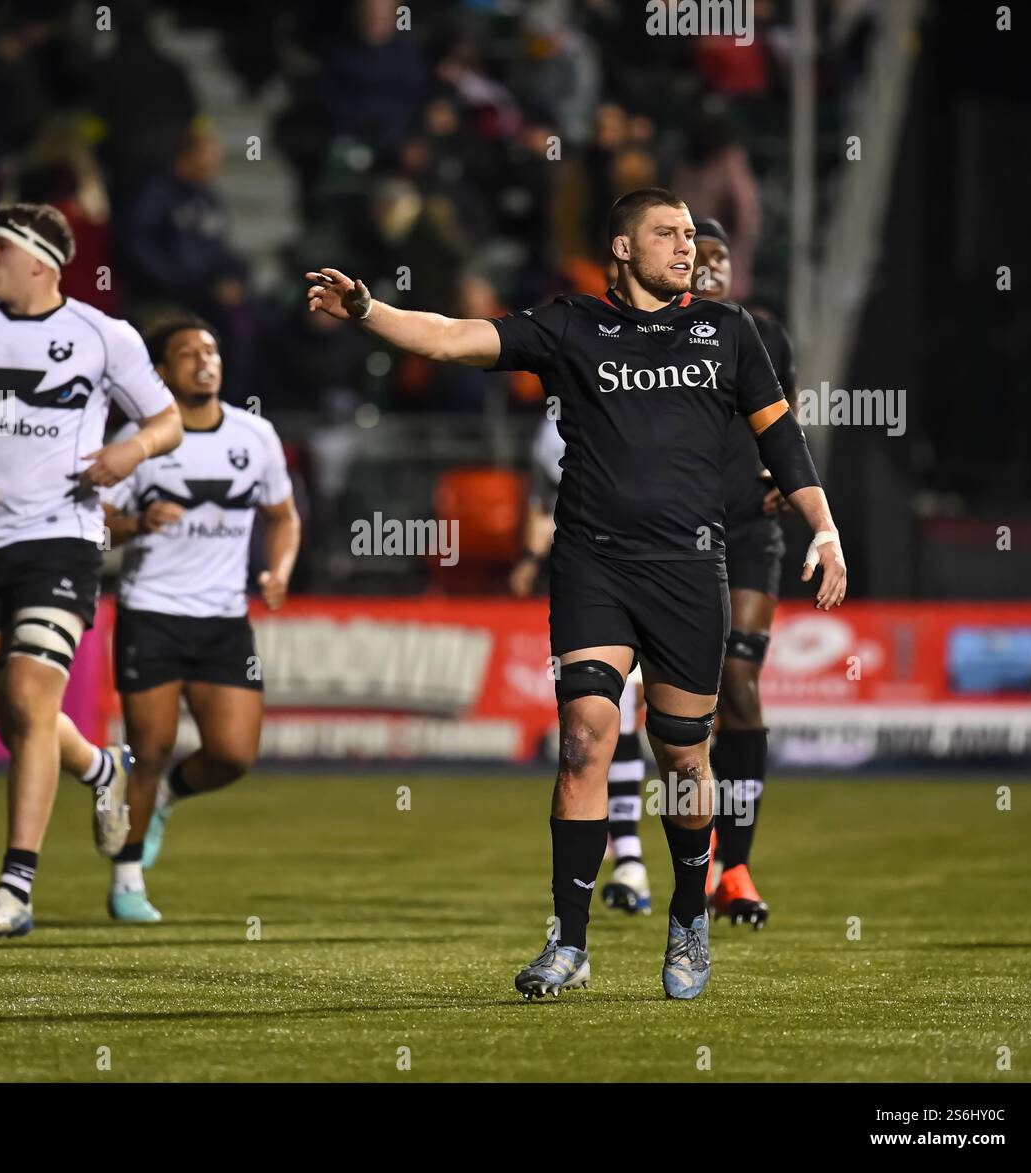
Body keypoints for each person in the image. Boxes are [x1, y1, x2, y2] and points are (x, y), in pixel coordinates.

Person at [306, 187, 846, 1001]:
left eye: (692, 234)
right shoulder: (571, 325)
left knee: (684, 755)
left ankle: (690, 917)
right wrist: (370, 310)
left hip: (690, 570)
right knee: (585, 739)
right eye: (667, 232)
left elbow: (781, 435)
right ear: (622, 248)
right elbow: (454, 339)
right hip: (593, 562)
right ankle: (569, 940)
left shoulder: (730, 332)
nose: (686, 246)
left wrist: (826, 527)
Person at [0, 202, 181, 938]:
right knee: (13, 713)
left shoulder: (102, 333)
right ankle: (100, 768)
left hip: (63, 538)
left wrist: (130, 452)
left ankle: (15, 891)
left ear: (39, 262)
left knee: (30, 692)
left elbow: (166, 419)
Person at [101, 315, 300, 921]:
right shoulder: (139, 439)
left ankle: (163, 797)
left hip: (222, 619)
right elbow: (96, 516)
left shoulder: (255, 434)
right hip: (150, 611)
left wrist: (279, 572)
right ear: (160, 373)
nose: (203, 360)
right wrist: (136, 523)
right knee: (150, 746)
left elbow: (283, 516)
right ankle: (127, 879)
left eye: (210, 349)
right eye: (186, 353)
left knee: (234, 754)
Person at [692, 216, 797, 929]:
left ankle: (737, 866)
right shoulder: (646, 338)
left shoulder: (763, 335)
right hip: (676, 536)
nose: (708, 265)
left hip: (752, 531)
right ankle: (690, 856)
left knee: (740, 681)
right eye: (694, 254)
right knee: (685, 704)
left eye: (719, 254)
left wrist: (791, 478)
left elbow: (783, 422)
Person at [510, 417, 652, 915]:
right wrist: (531, 557)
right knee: (600, 718)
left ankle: (701, 874)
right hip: (592, 584)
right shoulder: (551, 429)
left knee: (681, 732)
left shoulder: (645, 388)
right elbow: (544, 502)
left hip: (663, 568)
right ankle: (629, 861)